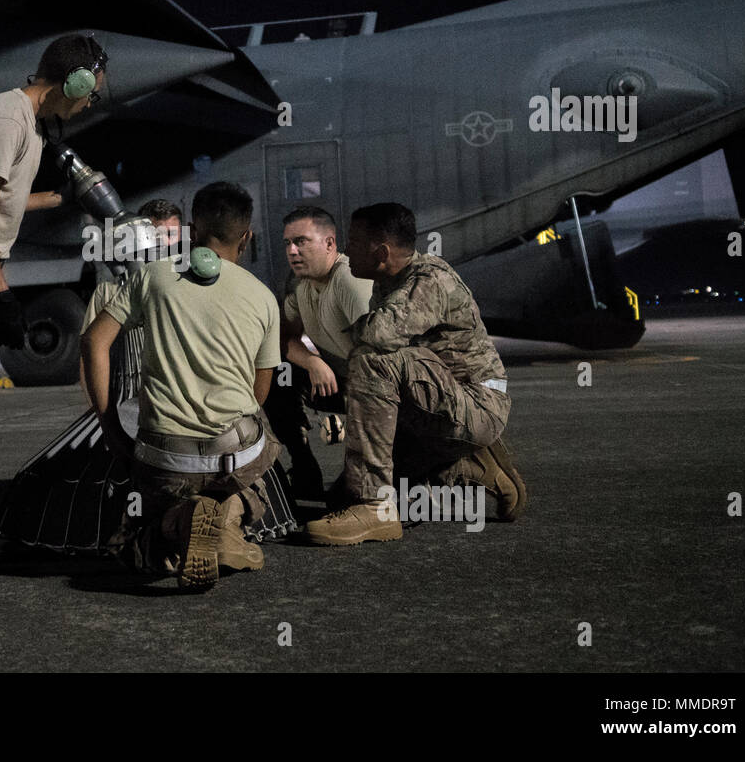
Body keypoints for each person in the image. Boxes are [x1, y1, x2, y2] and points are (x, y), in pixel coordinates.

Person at [0, 34, 108, 555]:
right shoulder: (9, 120)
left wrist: (61, 197)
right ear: (74, 83)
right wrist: (0, 294)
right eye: (92, 93)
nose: (90, 103)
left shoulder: (24, 121)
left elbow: (1, 201)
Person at [82, 181, 284, 590]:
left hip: (165, 458)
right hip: (234, 454)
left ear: (192, 231)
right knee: (264, 442)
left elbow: (93, 342)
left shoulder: (152, 277)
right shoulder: (263, 297)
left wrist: (111, 427)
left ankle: (177, 522)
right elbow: (260, 392)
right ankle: (227, 518)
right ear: (246, 237)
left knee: (137, 549)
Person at [304, 202, 528, 546]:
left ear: (382, 253)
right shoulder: (388, 282)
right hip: (439, 406)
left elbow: (377, 335)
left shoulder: (429, 280)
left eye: (354, 242)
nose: (346, 251)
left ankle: (374, 506)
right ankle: (470, 466)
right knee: (338, 500)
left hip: (477, 406)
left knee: (373, 359)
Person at [263, 206, 373, 499]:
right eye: (288, 243)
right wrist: (312, 362)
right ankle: (304, 466)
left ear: (329, 243)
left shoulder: (349, 280)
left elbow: (382, 364)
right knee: (277, 372)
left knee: (347, 500)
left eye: (302, 241)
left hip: (381, 391)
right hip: (344, 381)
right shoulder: (302, 284)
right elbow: (283, 338)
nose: (292, 251)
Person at [79, 197, 182, 405]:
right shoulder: (108, 293)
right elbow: (87, 355)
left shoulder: (188, 286)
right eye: (157, 235)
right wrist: (100, 412)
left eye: (172, 235)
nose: (165, 243)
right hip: (126, 402)